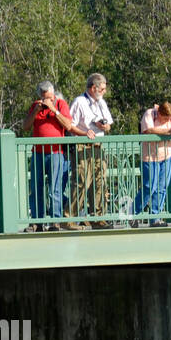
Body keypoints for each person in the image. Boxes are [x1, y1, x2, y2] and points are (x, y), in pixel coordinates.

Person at [25, 81, 79, 231]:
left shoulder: (61, 104)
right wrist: (36, 110)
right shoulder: (35, 105)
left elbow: (68, 125)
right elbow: (25, 126)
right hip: (38, 153)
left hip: (56, 153)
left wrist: (53, 109)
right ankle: (37, 222)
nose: (45, 100)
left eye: (48, 97)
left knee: (54, 189)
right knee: (36, 187)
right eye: (43, 98)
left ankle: (55, 221)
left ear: (52, 94)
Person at [67, 72, 114, 230]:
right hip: (82, 146)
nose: (104, 92)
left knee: (99, 182)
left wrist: (104, 126)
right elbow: (69, 125)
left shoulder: (101, 102)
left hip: (98, 146)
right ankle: (70, 218)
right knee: (81, 182)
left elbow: (109, 124)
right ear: (93, 88)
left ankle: (97, 218)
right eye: (102, 89)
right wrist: (84, 133)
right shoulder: (79, 101)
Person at [137, 100, 171, 227]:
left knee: (162, 188)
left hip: (167, 156)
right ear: (159, 113)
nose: (166, 121)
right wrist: (169, 131)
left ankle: (155, 218)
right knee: (149, 187)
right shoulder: (149, 113)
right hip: (149, 156)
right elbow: (148, 130)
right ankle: (133, 214)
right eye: (164, 118)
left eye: (168, 119)